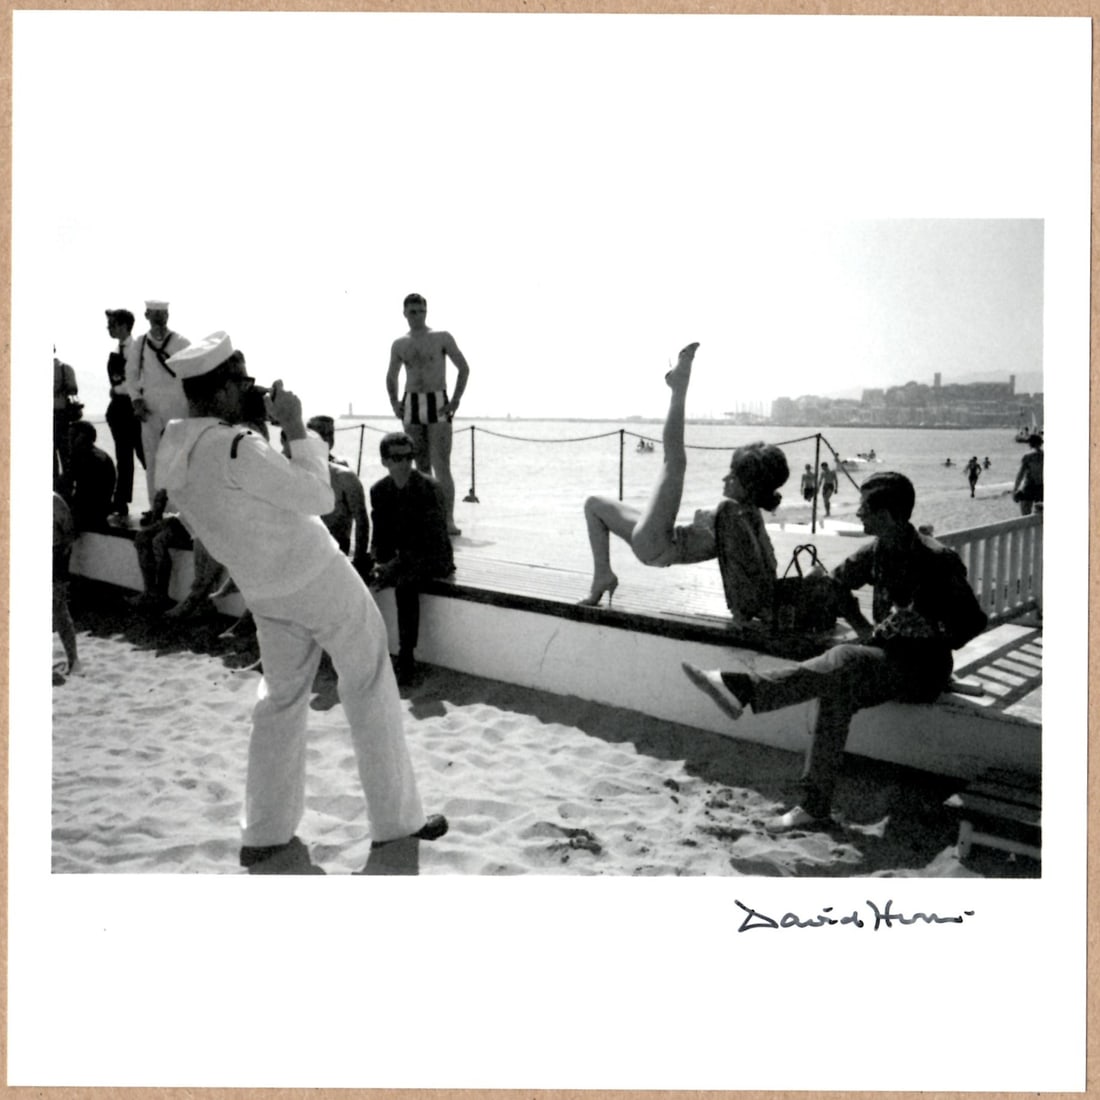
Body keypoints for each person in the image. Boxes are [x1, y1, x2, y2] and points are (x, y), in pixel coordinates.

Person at [155, 331, 447, 871]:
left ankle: (266, 829)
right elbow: (318, 495)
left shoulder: (174, 451)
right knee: (368, 682)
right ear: (221, 390)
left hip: (264, 592)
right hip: (317, 577)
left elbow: (231, 514)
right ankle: (396, 821)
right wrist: (294, 426)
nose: (248, 390)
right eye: (241, 382)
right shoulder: (238, 445)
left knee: (280, 703)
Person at [682, 471, 987, 833]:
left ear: (888, 515)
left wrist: (930, 628)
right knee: (835, 690)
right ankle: (814, 806)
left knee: (845, 659)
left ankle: (746, 688)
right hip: (884, 658)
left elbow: (973, 622)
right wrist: (862, 627)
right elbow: (835, 585)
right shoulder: (875, 551)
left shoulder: (937, 560)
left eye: (864, 508)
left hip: (924, 669)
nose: (858, 514)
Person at [580, 343, 788, 619]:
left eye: (733, 476)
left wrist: (749, 613)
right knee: (594, 504)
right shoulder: (747, 517)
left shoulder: (737, 517)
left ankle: (679, 386)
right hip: (660, 541)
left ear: (749, 487)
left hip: (661, 544)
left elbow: (748, 567)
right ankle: (602, 576)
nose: (725, 478)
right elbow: (764, 560)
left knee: (674, 460)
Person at [369, 431, 456, 685]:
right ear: (385, 461)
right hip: (402, 557)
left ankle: (406, 656)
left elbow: (430, 540)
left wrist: (391, 566)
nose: (405, 463)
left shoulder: (429, 488)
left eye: (409, 456)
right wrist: (377, 561)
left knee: (405, 585)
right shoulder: (379, 490)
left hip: (433, 557)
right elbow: (380, 534)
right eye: (397, 458)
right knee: (358, 574)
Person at [386, 292, 471, 536]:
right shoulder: (400, 343)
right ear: (404, 313)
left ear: (426, 312)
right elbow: (391, 376)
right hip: (411, 402)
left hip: (438, 401)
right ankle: (427, 518)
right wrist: (394, 402)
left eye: (421, 311)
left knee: (440, 463)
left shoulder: (441, 337)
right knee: (420, 464)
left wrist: (455, 399)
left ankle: (448, 520)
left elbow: (463, 368)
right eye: (413, 311)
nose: (417, 316)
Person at [125, 299, 190, 506]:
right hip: (150, 409)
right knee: (152, 459)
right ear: (147, 316)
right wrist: (136, 400)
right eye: (155, 316)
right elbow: (131, 374)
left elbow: (192, 372)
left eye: (162, 316)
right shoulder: (141, 343)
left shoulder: (181, 342)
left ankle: (178, 508)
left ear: (167, 317)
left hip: (178, 407)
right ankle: (155, 508)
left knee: (177, 459)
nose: (159, 321)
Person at [307, 414, 372, 577]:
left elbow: (361, 519)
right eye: (321, 433)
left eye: (331, 433)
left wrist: (358, 562)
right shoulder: (294, 467)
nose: (327, 438)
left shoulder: (343, 474)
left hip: (335, 553)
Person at [104, 309, 144, 521]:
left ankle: (159, 498)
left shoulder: (137, 349)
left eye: (112, 325)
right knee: (123, 456)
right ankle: (121, 501)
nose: (109, 329)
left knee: (144, 455)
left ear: (123, 325)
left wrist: (119, 389)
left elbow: (137, 381)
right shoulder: (116, 351)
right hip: (119, 409)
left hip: (132, 408)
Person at [63, 420, 117, 532]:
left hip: (89, 512)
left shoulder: (83, 457)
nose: (68, 440)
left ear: (82, 437)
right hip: (101, 510)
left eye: (72, 436)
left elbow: (68, 486)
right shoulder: (100, 455)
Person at [52, 492, 80, 684]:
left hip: (54, 555)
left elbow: (69, 534)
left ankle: (74, 660)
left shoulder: (53, 499)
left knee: (59, 608)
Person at [53, 355, 80, 486]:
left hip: (59, 415)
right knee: (65, 454)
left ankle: (55, 487)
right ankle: (67, 487)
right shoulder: (65, 368)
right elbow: (73, 389)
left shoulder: (64, 368)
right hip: (62, 415)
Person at [1013, 434, 1044, 515]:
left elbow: (1020, 475)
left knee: (1025, 516)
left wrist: (1015, 490)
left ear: (1029, 443)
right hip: (1042, 488)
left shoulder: (1028, 456)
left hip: (1029, 487)